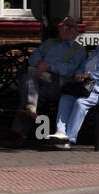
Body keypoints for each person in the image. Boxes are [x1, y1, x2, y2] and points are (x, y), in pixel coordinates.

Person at [7, 15, 87, 147]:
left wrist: (49, 67)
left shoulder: (79, 49)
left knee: (29, 86)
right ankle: (29, 112)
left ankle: (20, 132)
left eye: (70, 27)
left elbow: (71, 69)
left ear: (76, 32)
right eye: (64, 26)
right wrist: (40, 63)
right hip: (39, 79)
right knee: (29, 83)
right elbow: (35, 56)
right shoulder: (50, 43)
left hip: (59, 83)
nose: (66, 29)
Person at [48, 19, 99, 148]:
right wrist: (79, 74)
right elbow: (84, 67)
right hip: (85, 88)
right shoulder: (97, 52)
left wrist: (89, 75)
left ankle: (69, 139)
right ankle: (60, 132)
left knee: (81, 103)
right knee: (66, 99)